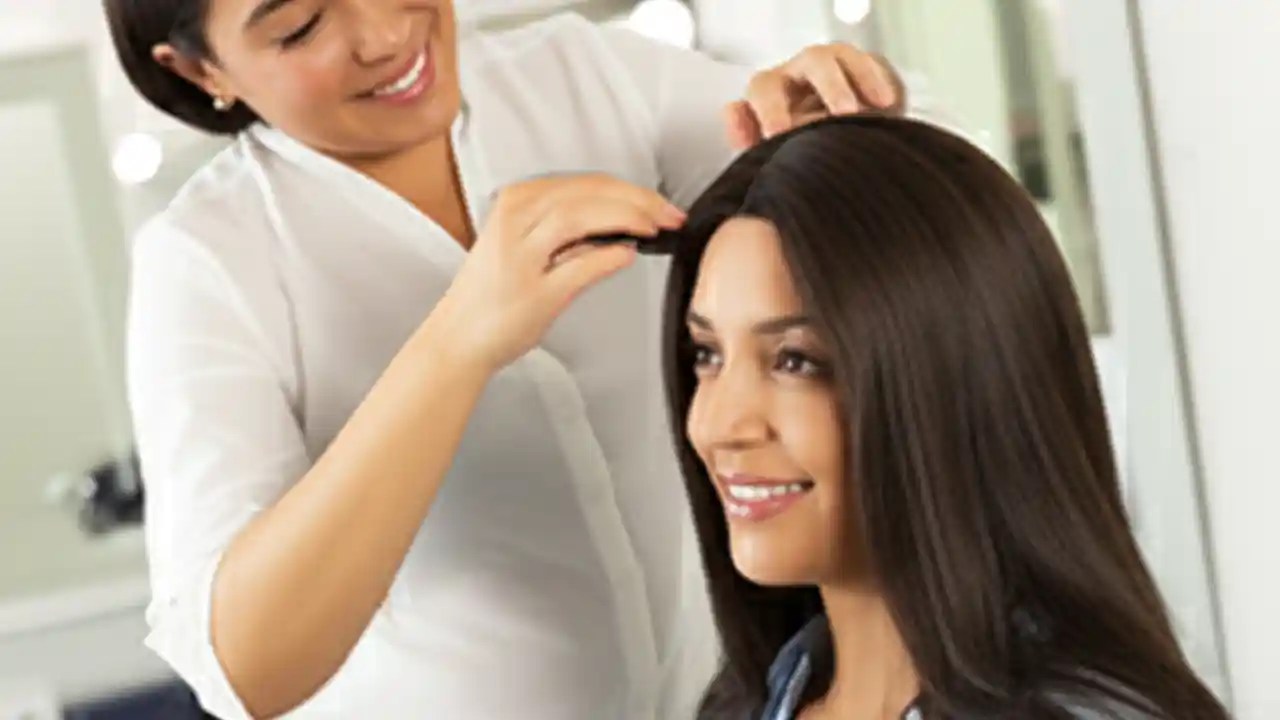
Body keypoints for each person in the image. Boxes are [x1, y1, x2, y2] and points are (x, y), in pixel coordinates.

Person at [103, 0, 933, 717]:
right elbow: (247, 667)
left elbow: (875, 226)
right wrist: (458, 341)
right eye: (302, 25)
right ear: (201, 68)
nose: (385, 33)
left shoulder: (587, 76)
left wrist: (846, 130)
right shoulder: (209, 261)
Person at [660, 116, 1230, 720]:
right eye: (707, 355)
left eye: (795, 360)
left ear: (949, 382)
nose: (719, 425)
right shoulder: (746, 704)